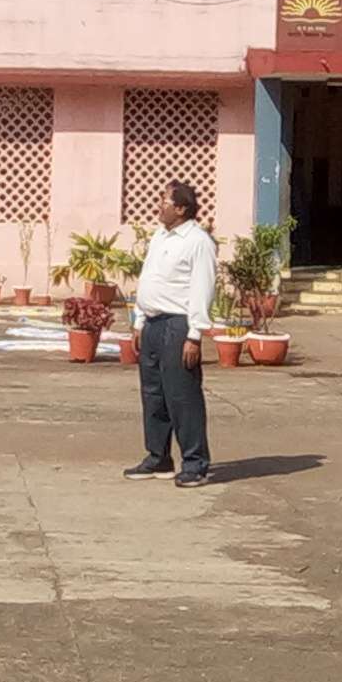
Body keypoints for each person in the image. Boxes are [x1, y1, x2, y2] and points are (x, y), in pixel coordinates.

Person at [124, 180, 217, 487]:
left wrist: (194, 335)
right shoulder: (160, 236)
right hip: (152, 322)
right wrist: (139, 321)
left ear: (181, 208)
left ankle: (195, 463)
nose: (159, 206)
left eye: (164, 201)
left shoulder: (197, 241)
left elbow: (202, 288)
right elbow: (148, 277)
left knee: (183, 396)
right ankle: (158, 457)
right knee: (153, 395)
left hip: (178, 325)